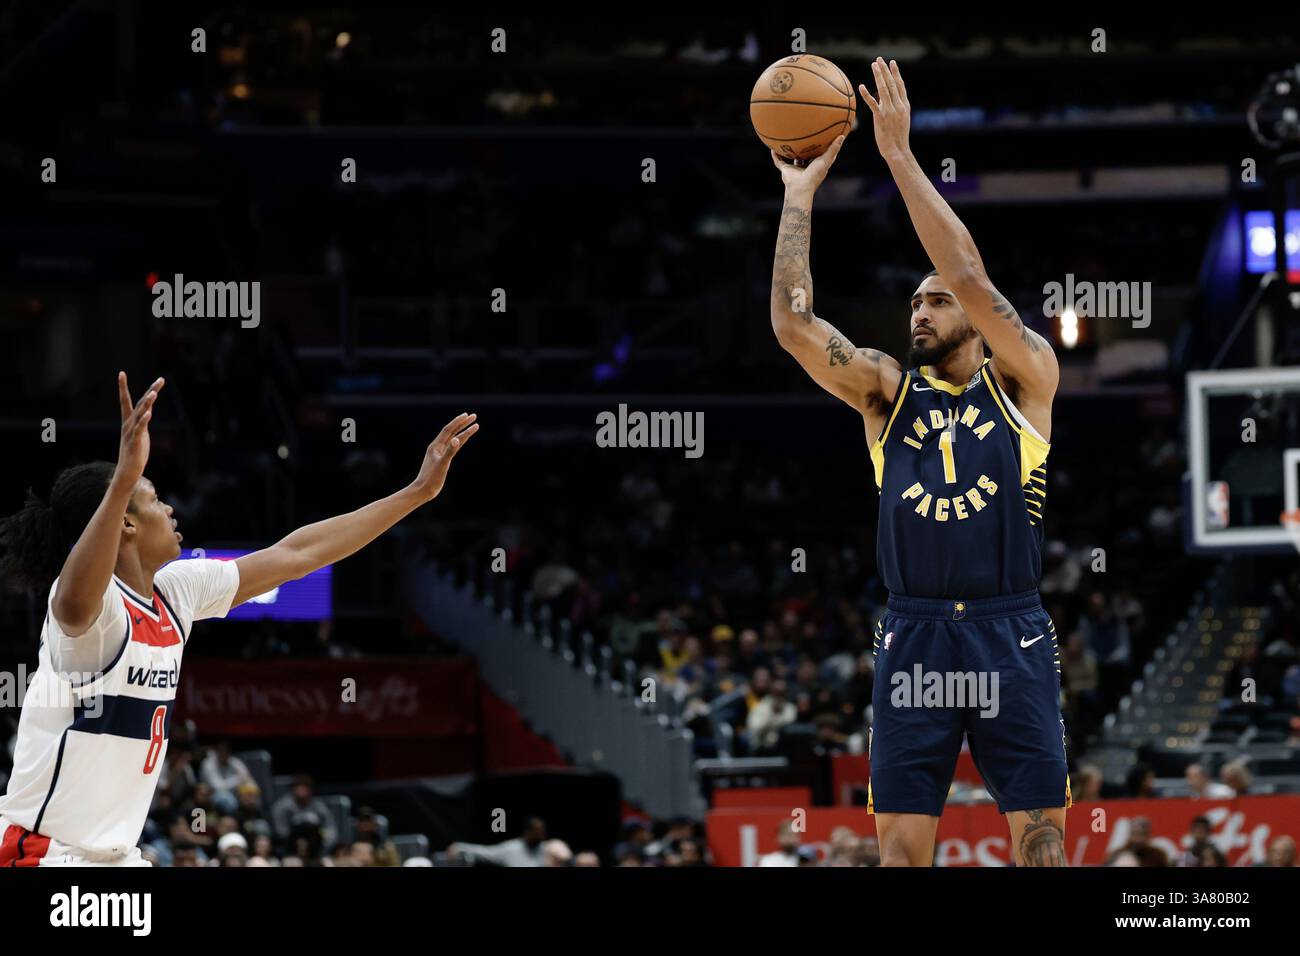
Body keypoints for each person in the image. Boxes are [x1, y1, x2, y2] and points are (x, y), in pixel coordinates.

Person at [769, 58, 1066, 867]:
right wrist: (800, 196)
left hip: (1012, 628)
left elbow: (969, 274)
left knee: (1041, 850)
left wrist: (899, 156)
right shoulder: (886, 394)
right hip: (914, 633)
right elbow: (796, 330)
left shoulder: (1025, 378)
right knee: (901, 853)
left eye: (933, 301)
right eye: (913, 301)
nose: (920, 310)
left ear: (970, 316)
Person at [0, 372, 478, 866]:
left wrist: (416, 493)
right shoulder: (89, 608)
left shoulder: (177, 592)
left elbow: (297, 554)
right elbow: (77, 598)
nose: (169, 507)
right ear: (125, 521)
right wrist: (123, 480)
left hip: (112, 856)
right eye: (153, 498)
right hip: (42, 854)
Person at [447, 816, 548, 867]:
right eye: (537, 832)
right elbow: (486, 852)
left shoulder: (547, 849)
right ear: (527, 832)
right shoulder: (511, 849)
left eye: (542, 832)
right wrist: (459, 847)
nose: (541, 836)